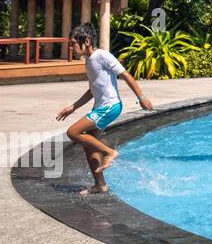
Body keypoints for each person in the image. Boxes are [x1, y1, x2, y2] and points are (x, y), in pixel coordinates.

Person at [55, 23, 152, 195]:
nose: (71, 48)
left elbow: (126, 75)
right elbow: (93, 89)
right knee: (89, 146)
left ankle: (110, 152)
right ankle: (100, 185)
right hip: (101, 107)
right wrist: (73, 106)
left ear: (86, 41)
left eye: (73, 44)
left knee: (73, 132)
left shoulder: (102, 56)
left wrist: (141, 97)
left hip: (110, 106)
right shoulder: (89, 61)